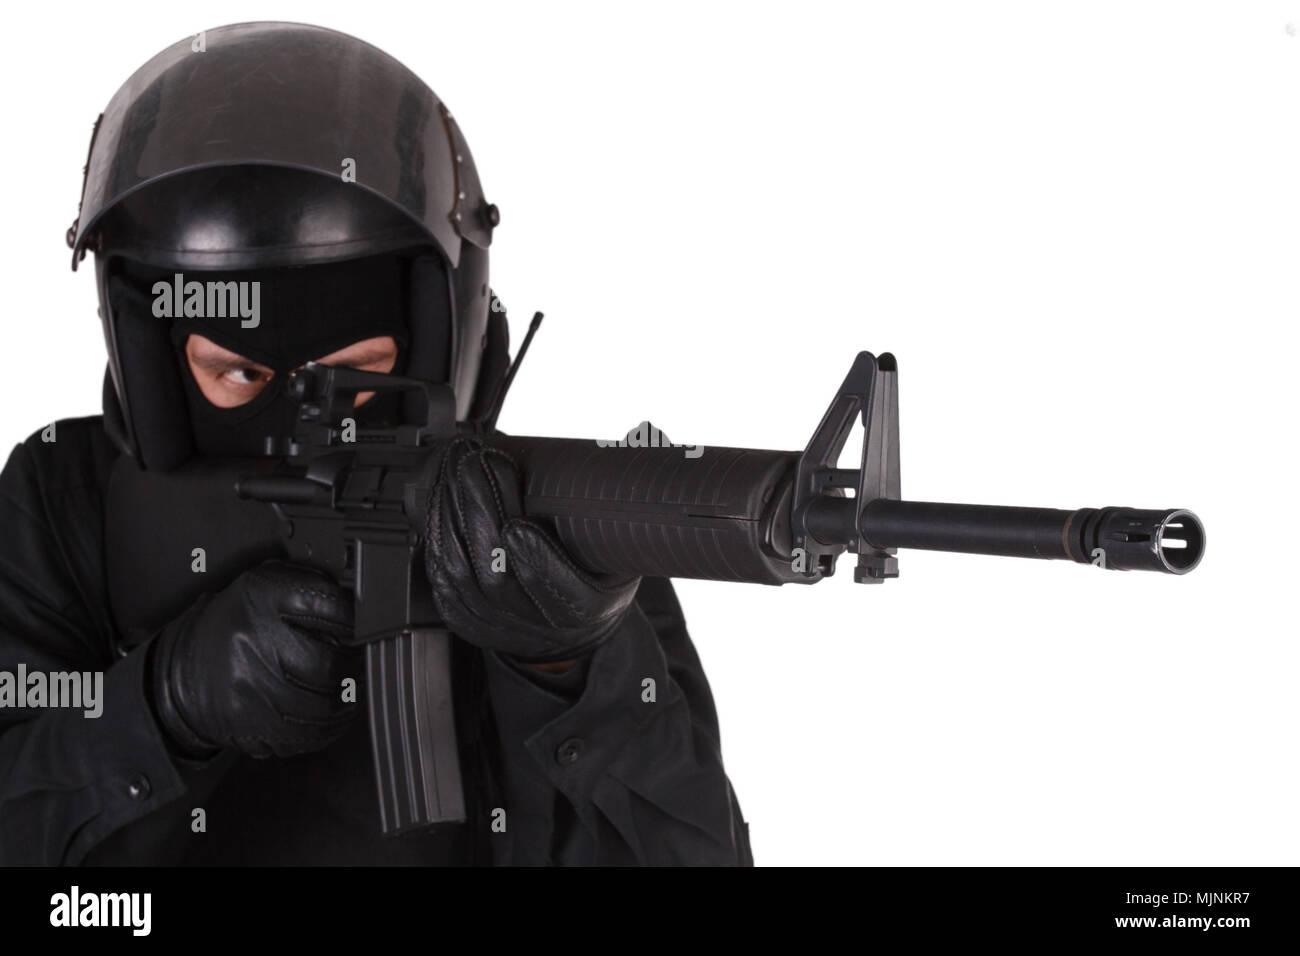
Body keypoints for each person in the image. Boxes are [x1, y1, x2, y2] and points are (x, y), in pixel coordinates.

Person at [0, 22, 752, 866]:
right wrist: (164, 705)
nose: (302, 423)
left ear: (439, 344)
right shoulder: (63, 507)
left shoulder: (543, 522)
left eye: (356, 374)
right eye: (238, 377)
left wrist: (573, 671)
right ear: (154, 365)